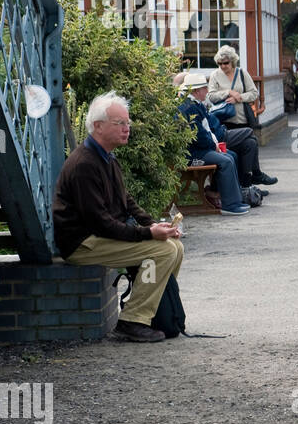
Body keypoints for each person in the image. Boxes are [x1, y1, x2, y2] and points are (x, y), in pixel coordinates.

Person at [53, 92, 184, 343]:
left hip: (98, 236)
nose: (127, 129)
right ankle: (132, 320)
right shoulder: (84, 164)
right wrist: (147, 234)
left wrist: (153, 224)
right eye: (120, 123)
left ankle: (154, 312)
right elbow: (99, 223)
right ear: (98, 126)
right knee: (163, 251)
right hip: (83, 244)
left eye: (128, 123)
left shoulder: (106, 157)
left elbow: (127, 202)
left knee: (175, 247)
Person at [179, 73, 251, 216]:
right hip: (192, 154)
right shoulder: (188, 107)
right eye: (204, 88)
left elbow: (205, 131)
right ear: (195, 91)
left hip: (201, 149)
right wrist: (214, 146)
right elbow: (198, 136)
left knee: (232, 155)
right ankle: (229, 205)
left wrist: (215, 145)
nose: (207, 91)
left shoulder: (195, 104)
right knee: (226, 160)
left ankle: (233, 200)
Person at [207, 47, 278, 190]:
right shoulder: (215, 75)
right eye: (220, 63)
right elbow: (211, 96)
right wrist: (228, 92)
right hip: (224, 123)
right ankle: (253, 179)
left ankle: (249, 183)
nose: (223, 66)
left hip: (243, 119)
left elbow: (254, 93)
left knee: (250, 146)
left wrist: (239, 98)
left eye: (225, 63)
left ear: (232, 61)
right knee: (249, 144)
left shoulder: (241, 73)